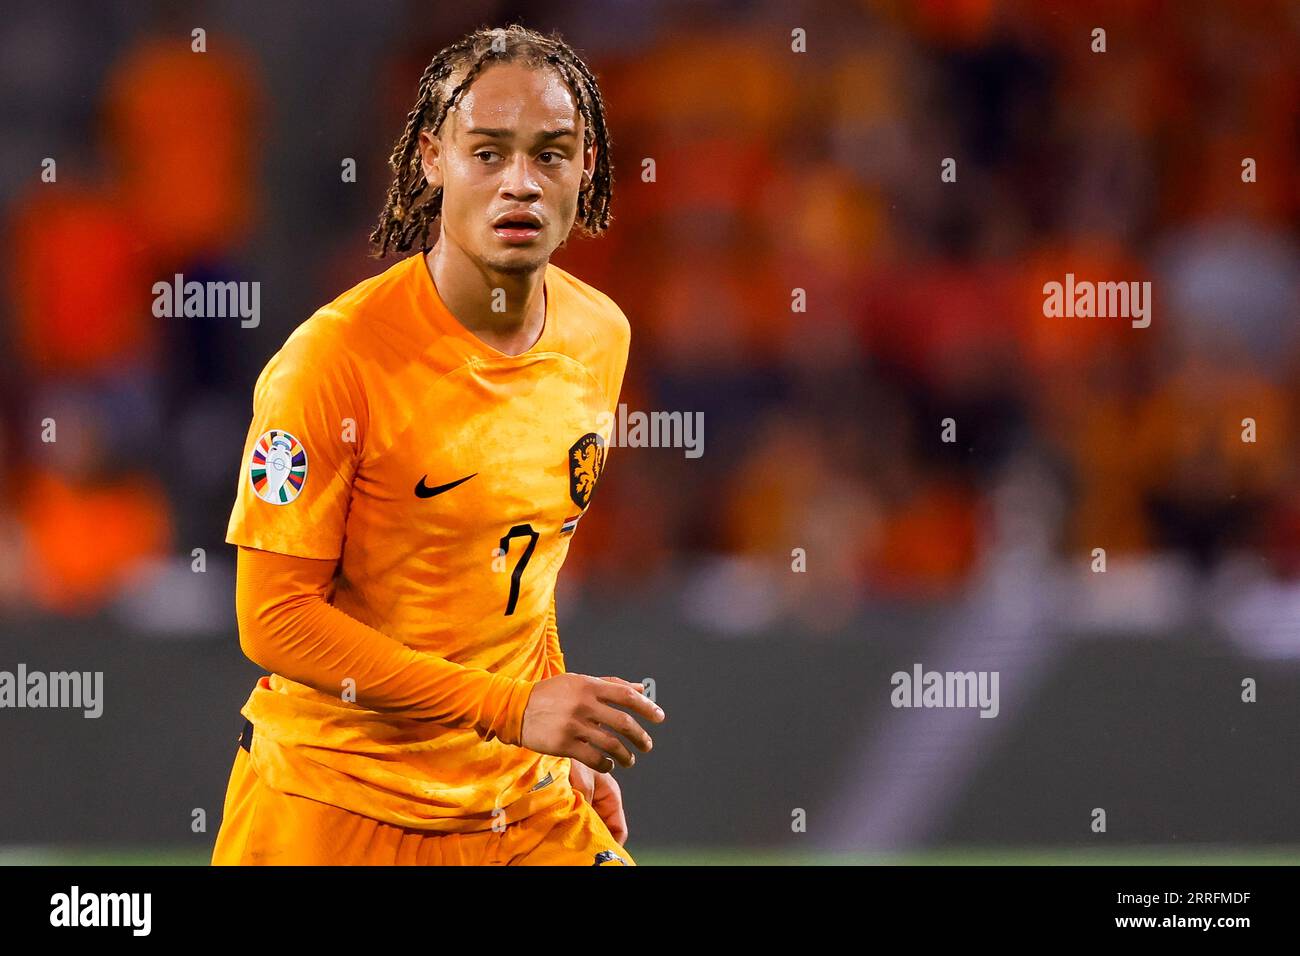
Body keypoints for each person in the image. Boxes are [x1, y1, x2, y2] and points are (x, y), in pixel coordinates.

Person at [211, 24, 663, 866]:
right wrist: (513, 711)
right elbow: (272, 620)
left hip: (515, 806)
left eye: (550, 154)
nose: (519, 184)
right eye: (487, 153)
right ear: (431, 158)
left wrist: (552, 747)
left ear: (587, 167)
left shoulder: (600, 334)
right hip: (332, 808)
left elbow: (521, 562)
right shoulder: (334, 360)